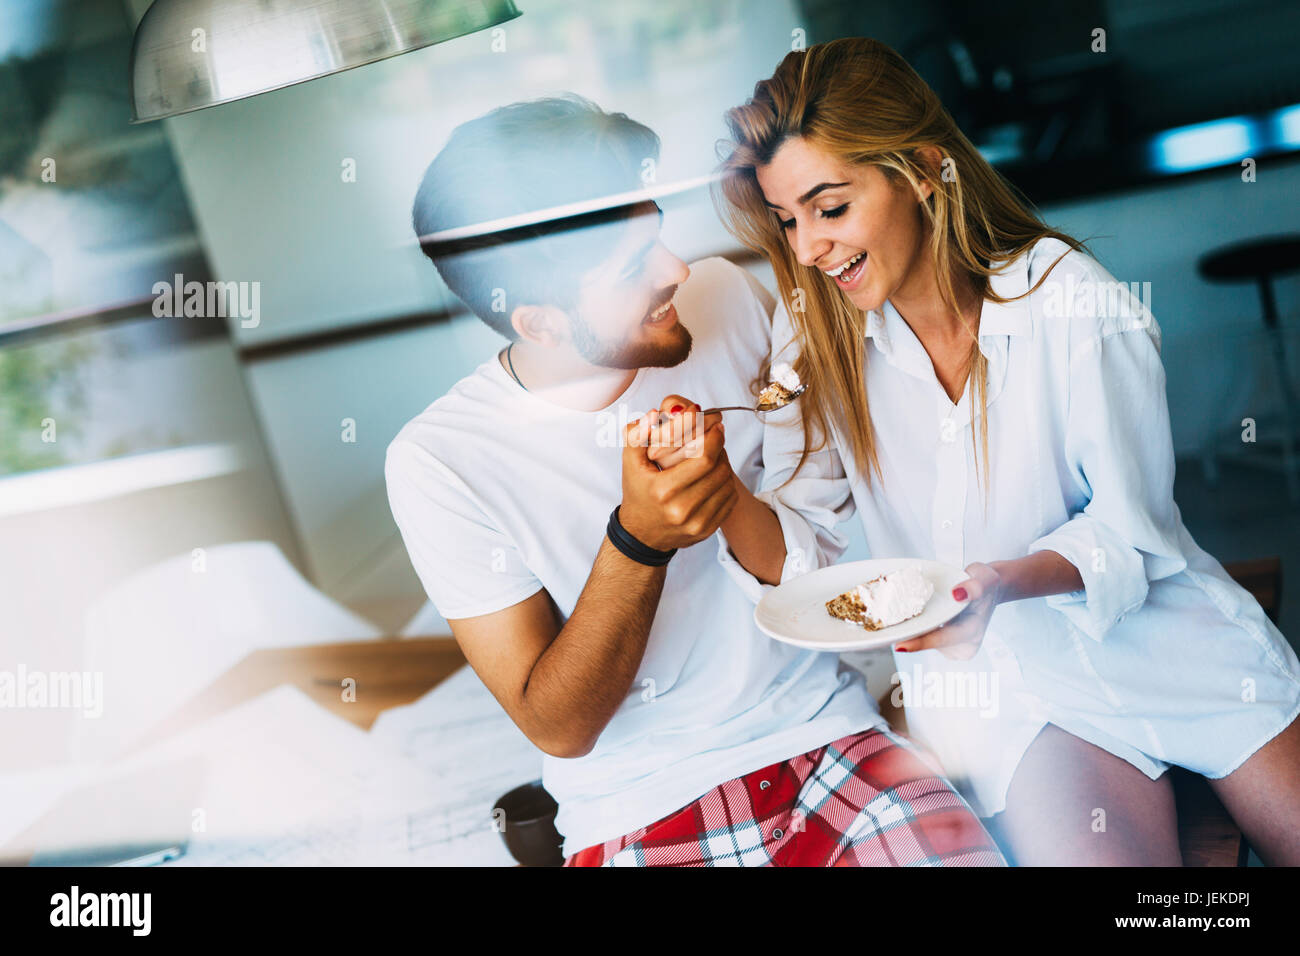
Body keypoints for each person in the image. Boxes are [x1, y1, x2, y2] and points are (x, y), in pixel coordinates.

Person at [708, 37, 1300, 865]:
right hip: (1010, 696)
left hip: (1175, 648)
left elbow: (1131, 533)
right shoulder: (814, 342)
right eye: (787, 220)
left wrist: (997, 584)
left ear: (919, 170)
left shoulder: (1069, 299)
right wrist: (722, 496)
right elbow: (805, 554)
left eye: (829, 208)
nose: (806, 248)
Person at [384, 94, 1005, 866]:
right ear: (539, 323)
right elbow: (559, 726)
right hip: (637, 803)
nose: (677, 269)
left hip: (825, 732)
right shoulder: (441, 461)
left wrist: (730, 504)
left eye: (656, 237)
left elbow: (811, 560)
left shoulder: (727, 299)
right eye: (631, 266)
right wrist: (638, 542)